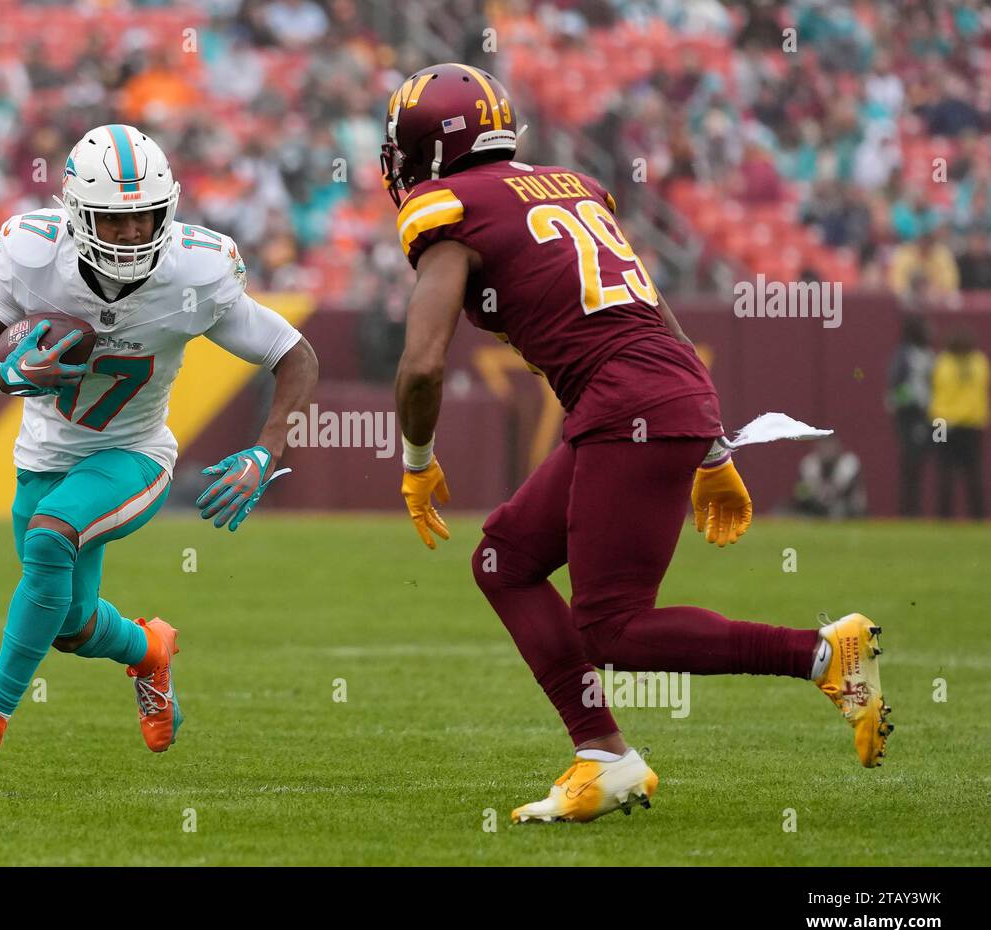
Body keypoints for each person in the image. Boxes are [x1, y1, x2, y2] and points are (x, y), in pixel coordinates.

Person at [382, 64, 891, 824]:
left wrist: (417, 462)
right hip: (652, 393)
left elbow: (422, 364)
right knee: (505, 560)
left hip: (626, 404)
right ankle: (606, 758)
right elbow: (657, 318)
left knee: (612, 628)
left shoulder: (447, 206)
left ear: (425, 146)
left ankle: (824, 655)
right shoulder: (572, 185)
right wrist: (712, 447)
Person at [0, 124, 318, 779]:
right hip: (42, 458)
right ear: (76, 215)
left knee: (51, 539)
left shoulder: (198, 271)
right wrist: (5, 376)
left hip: (134, 456)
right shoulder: (32, 255)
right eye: (114, 220)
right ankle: (149, 650)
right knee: (71, 624)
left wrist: (266, 451)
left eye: (146, 219)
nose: (134, 235)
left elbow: (293, 354)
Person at [930, 328, 988, 519]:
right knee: (973, 473)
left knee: (944, 470)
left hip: (943, 423)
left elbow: (935, 387)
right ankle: (978, 516)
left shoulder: (943, 362)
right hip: (972, 424)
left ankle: (943, 515)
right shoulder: (980, 363)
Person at [886, 314, 935, 516]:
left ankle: (914, 509)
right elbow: (895, 386)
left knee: (919, 462)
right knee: (911, 462)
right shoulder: (905, 354)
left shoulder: (929, 354)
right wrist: (909, 399)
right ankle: (908, 511)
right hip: (910, 413)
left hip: (927, 413)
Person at [792, 437, 866, 518]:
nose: (827, 450)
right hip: (815, 505)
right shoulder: (810, 463)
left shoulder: (848, 463)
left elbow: (846, 489)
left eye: (830, 446)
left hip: (843, 505)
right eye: (824, 445)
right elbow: (802, 492)